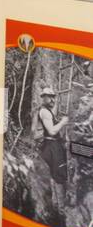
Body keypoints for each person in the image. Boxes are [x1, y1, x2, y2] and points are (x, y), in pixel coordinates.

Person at [36, 87, 68, 216]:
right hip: (52, 146)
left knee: (55, 175)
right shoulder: (45, 112)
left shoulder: (47, 111)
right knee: (59, 175)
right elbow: (52, 131)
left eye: (53, 96)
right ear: (43, 98)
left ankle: (56, 206)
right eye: (49, 97)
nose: (52, 99)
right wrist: (63, 122)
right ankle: (62, 211)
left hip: (51, 145)